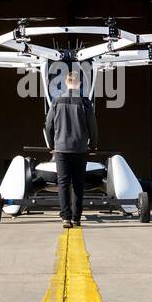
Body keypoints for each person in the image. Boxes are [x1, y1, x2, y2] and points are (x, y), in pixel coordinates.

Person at [44, 67, 98, 228]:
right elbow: (93, 127)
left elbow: (48, 125)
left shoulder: (56, 102)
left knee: (63, 183)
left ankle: (66, 218)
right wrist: (93, 145)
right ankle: (76, 217)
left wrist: (51, 144)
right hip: (80, 149)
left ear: (66, 83)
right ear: (79, 84)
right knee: (78, 183)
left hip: (61, 149)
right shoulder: (85, 103)